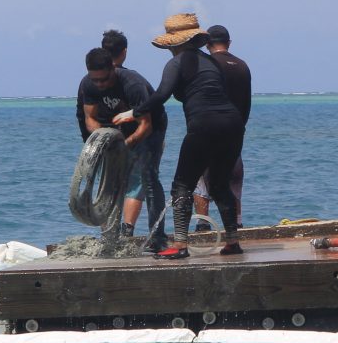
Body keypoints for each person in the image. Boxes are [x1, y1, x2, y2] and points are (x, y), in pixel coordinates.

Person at [116, 13, 245, 260]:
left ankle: (181, 245)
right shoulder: (211, 62)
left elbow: (160, 96)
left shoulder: (175, 64)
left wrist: (133, 112)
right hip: (233, 125)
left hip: (203, 125)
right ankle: (232, 242)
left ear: (173, 43)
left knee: (181, 186)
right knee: (218, 184)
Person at [77, 48, 157, 243]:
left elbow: (146, 125)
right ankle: (108, 235)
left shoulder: (132, 84)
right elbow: (90, 118)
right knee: (109, 182)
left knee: (137, 181)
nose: (99, 84)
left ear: (113, 68)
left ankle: (127, 231)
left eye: (103, 80)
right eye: (95, 80)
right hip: (113, 133)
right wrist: (104, 140)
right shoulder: (89, 84)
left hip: (147, 130)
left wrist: (126, 145)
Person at [102, 28, 168, 250]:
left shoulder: (129, 80)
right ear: (125, 52)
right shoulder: (127, 79)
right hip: (128, 131)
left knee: (143, 180)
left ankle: (131, 231)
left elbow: (147, 124)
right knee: (119, 182)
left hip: (148, 131)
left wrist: (130, 145)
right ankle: (114, 234)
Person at [192, 24, 250, 229]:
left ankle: (203, 224)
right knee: (233, 181)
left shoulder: (206, 64)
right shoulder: (242, 66)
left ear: (207, 44)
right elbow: (246, 104)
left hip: (209, 130)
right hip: (235, 132)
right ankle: (236, 224)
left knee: (201, 181)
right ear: (229, 43)